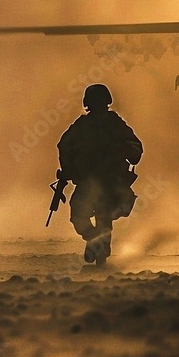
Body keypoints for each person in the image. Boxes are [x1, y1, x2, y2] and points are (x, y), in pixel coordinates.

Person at [57, 84, 143, 266]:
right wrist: (69, 169)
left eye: (100, 102)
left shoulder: (115, 124)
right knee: (79, 215)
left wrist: (126, 152)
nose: (99, 106)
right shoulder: (83, 126)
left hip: (110, 180)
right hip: (89, 180)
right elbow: (64, 146)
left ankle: (101, 249)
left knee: (103, 215)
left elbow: (135, 146)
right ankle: (95, 240)